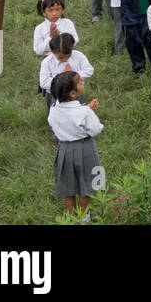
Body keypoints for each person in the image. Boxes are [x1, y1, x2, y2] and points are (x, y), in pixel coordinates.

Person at [47, 70, 102, 217]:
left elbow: (67, 119)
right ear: (72, 93)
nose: (82, 83)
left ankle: (72, 218)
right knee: (87, 186)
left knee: (68, 187)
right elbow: (95, 129)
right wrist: (90, 113)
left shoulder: (53, 111)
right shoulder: (84, 112)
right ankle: (85, 218)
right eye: (80, 82)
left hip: (64, 149)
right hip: (85, 149)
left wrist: (86, 110)